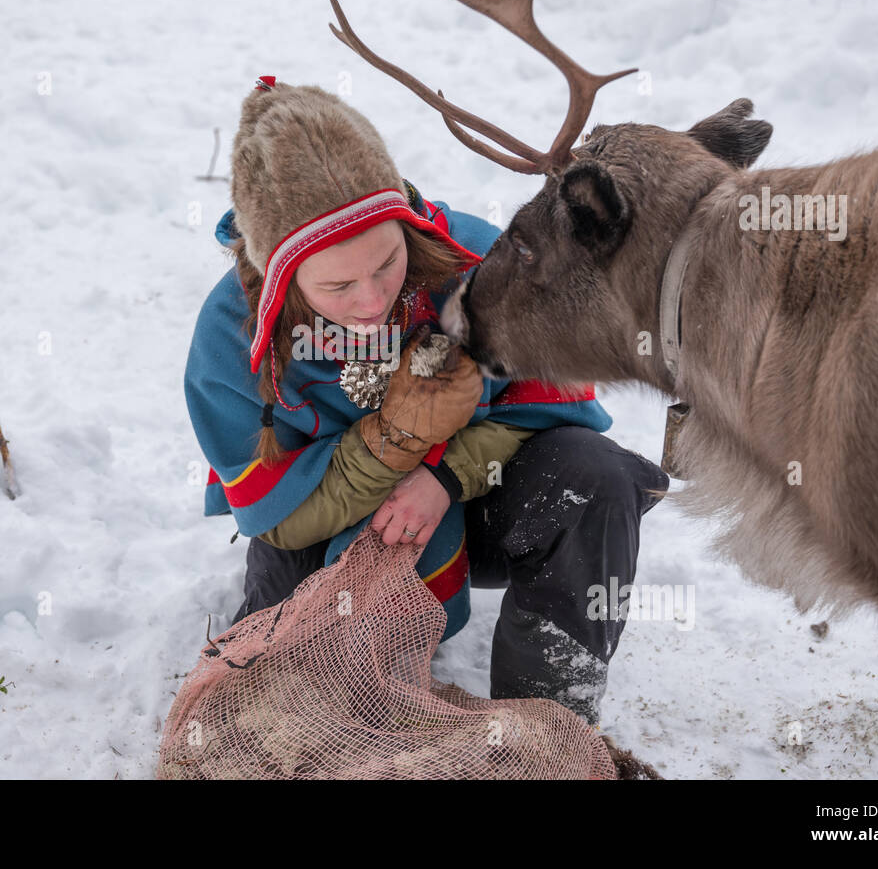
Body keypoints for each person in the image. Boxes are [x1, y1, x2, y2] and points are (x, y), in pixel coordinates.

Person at [183, 76, 669, 726]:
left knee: (595, 477)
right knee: (283, 700)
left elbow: (552, 397)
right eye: (337, 285)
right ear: (280, 273)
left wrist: (443, 476)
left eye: (386, 263)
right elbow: (279, 518)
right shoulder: (230, 343)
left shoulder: (473, 255)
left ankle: (548, 728)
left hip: (475, 503)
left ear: (404, 223)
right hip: (323, 526)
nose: (370, 299)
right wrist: (391, 447)